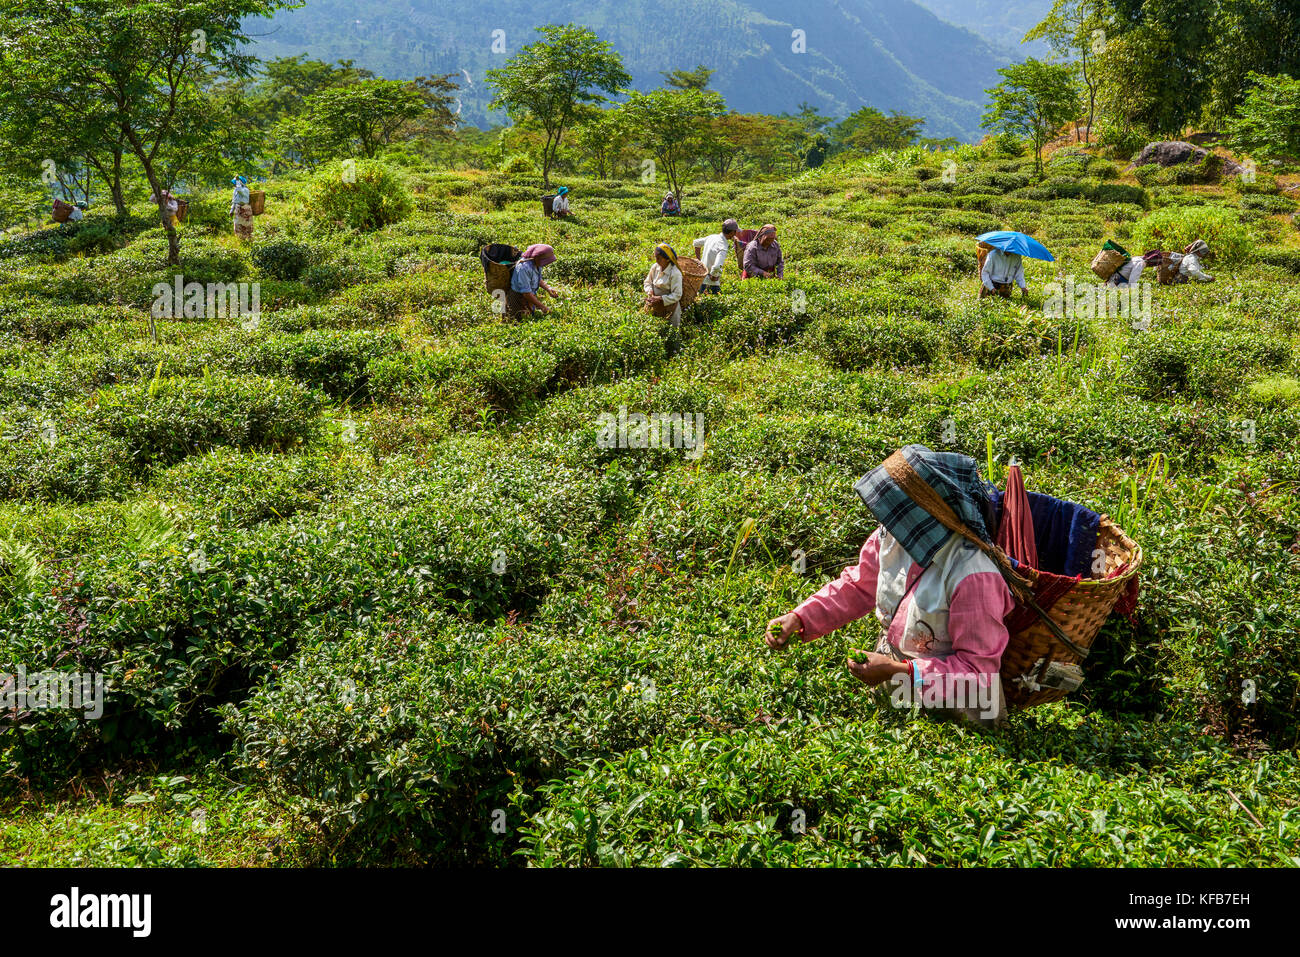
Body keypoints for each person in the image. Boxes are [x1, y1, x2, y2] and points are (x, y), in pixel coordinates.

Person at [765, 446, 1013, 727]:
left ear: (928, 512)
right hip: (893, 680)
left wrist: (900, 671)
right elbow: (857, 586)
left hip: (960, 707)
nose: (888, 521)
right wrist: (799, 617)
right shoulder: (892, 536)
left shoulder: (973, 574)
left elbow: (978, 673)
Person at [510, 243, 561, 314]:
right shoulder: (524, 268)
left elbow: (537, 279)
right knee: (517, 321)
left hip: (529, 297)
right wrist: (542, 307)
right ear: (536, 257)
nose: (545, 264)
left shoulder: (537, 263)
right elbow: (526, 293)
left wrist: (548, 288)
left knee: (529, 316)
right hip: (518, 298)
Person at [693, 219, 739, 295]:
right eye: (735, 232)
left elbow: (696, 243)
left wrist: (699, 261)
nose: (735, 234)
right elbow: (717, 265)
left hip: (702, 277)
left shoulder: (712, 237)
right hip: (711, 281)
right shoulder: (723, 246)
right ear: (731, 232)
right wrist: (713, 275)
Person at [643, 243, 684, 327]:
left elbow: (677, 295)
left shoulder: (675, 273)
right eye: (655, 257)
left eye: (659, 258)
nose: (656, 261)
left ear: (668, 259)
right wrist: (649, 290)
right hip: (654, 305)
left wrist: (660, 298)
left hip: (670, 308)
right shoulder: (655, 267)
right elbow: (647, 282)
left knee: (671, 331)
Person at [229, 176, 253, 241]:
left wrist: (237, 181)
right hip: (238, 208)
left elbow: (240, 190)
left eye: (235, 183)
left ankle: (248, 240)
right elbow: (234, 201)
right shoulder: (236, 190)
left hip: (245, 208)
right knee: (237, 225)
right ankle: (240, 240)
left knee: (246, 226)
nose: (234, 184)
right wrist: (231, 210)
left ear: (240, 183)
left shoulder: (245, 190)